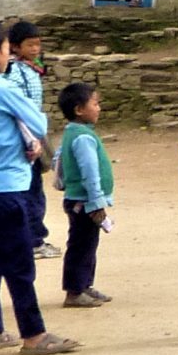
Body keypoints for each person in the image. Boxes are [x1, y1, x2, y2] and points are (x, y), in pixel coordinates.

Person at [0, 19, 77, 355]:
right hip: (7, 184)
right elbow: (38, 122)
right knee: (19, 262)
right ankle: (33, 333)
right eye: (7, 48)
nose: (8, 55)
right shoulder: (0, 88)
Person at [56, 82, 115, 309]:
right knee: (81, 245)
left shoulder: (73, 133)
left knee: (89, 243)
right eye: (95, 103)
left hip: (80, 199)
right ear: (79, 109)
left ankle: (85, 285)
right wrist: (97, 201)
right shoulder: (82, 138)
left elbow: (59, 161)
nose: (99, 108)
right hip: (84, 201)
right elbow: (89, 171)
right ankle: (74, 290)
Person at [7, 21, 54, 257]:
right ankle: (33, 239)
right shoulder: (14, 72)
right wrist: (29, 139)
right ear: (15, 47)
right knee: (31, 190)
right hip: (26, 137)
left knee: (35, 189)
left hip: (35, 132)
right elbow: (18, 110)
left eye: (37, 44)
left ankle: (34, 236)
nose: (35, 49)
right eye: (30, 45)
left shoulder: (33, 68)